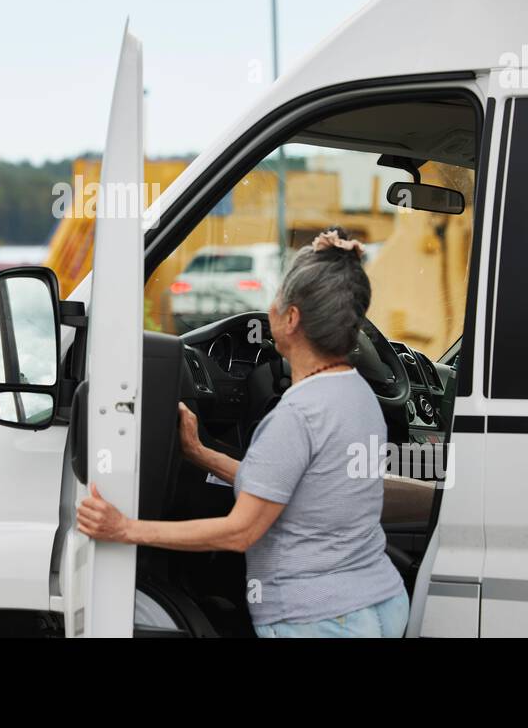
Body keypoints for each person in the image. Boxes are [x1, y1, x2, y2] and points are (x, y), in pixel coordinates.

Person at [77, 226, 409, 637]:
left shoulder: (297, 415)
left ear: (291, 319)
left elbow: (241, 531)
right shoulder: (358, 396)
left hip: (320, 620)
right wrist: (199, 452)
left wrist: (125, 529)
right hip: (380, 604)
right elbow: (295, 485)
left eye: (276, 299)